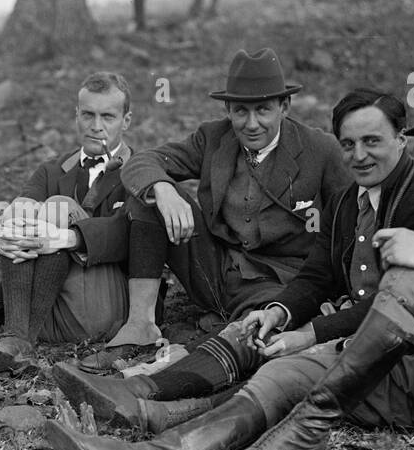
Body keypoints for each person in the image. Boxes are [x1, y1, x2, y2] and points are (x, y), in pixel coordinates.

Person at [45, 63, 414, 450]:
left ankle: (287, 426)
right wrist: (288, 318)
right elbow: (324, 273)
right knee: (286, 374)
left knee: (378, 299)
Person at [52, 87, 414, 439]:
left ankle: (161, 411)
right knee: (261, 334)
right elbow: (323, 270)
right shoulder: (346, 198)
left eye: (372, 142)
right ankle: (134, 385)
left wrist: (309, 329)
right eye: (350, 144)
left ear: (402, 139)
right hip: (233, 277)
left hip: (359, 329)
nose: (359, 155)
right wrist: (282, 312)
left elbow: (389, 301)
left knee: (266, 353)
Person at [96, 46, 349, 362]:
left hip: (277, 286)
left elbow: (353, 220)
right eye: (241, 111)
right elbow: (144, 161)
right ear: (228, 109)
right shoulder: (213, 137)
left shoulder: (320, 150)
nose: (252, 123)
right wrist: (163, 188)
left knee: (259, 329)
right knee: (147, 201)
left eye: (263, 110)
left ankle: (192, 357)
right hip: (213, 270)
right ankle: (141, 324)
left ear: (285, 106)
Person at [0, 72, 138, 374]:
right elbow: (16, 211)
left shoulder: (140, 169)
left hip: (107, 306)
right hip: (49, 314)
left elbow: (137, 238)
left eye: (108, 116)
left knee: (58, 206)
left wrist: (68, 237)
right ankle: (18, 338)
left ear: (127, 121)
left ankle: (18, 336)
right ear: (76, 116)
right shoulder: (53, 169)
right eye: (87, 115)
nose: (96, 126)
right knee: (19, 217)